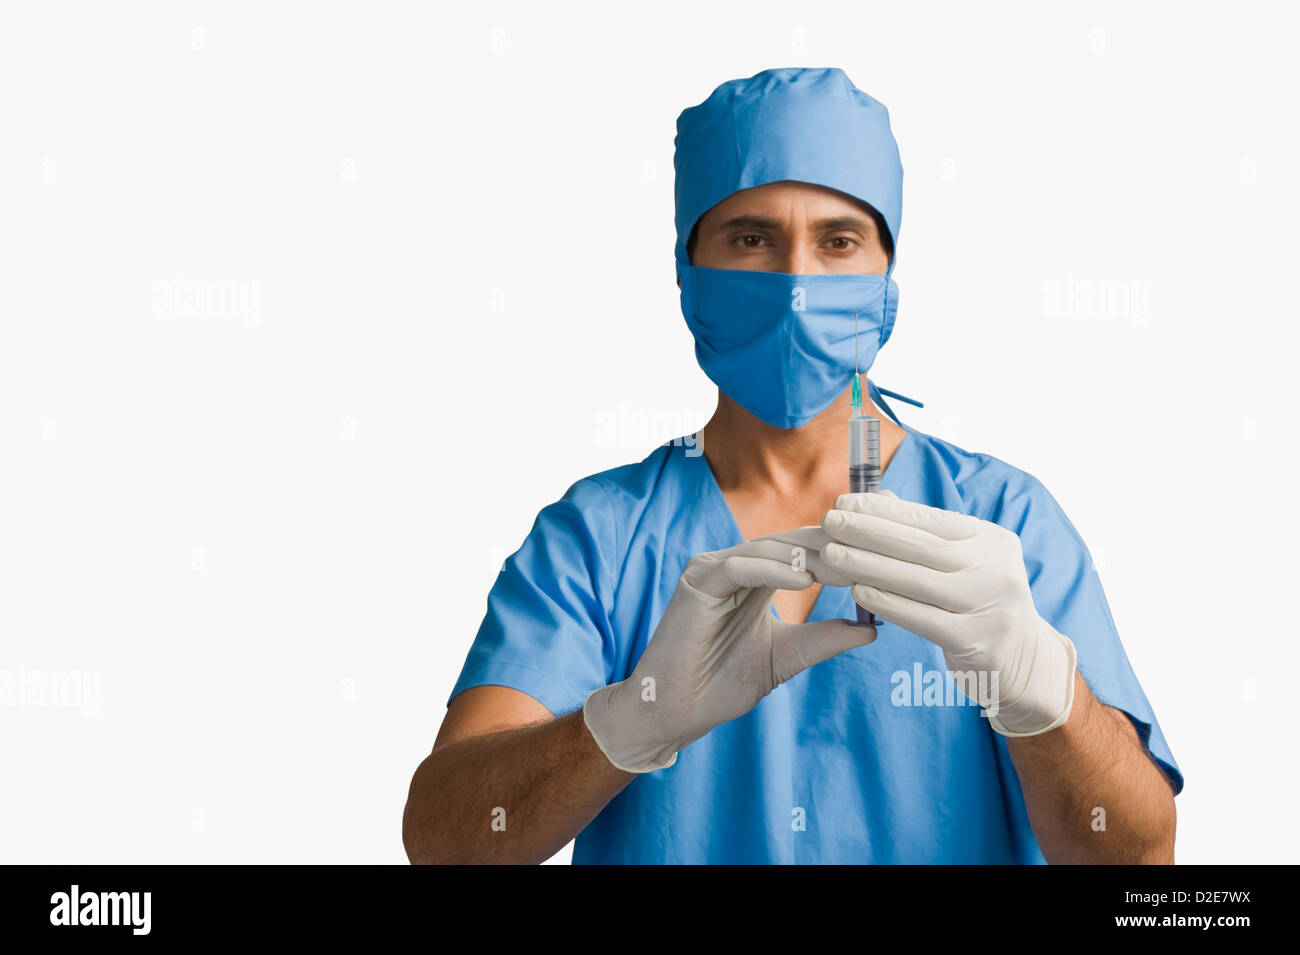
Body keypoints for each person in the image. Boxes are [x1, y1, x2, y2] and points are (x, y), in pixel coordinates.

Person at [402, 67, 1182, 864]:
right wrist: (630, 719)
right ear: (685, 268)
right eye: (751, 238)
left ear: (887, 279)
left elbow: (1139, 861)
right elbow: (446, 842)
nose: (796, 283)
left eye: (838, 241)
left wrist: (1044, 695)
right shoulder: (598, 538)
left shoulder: (1002, 520)